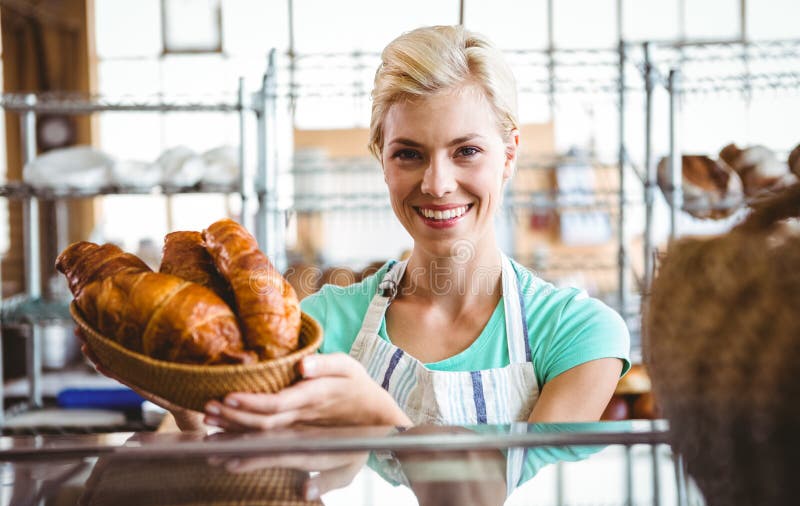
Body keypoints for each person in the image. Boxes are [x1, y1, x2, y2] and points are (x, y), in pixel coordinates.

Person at [83, 25, 630, 433]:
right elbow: (238, 483)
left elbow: (530, 503)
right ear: (381, 159)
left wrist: (383, 421)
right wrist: (192, 414)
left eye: (467, 151)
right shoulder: (317, 327)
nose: (438, 183)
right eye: (409, 154)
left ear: (509, 155)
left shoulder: (580, 336)